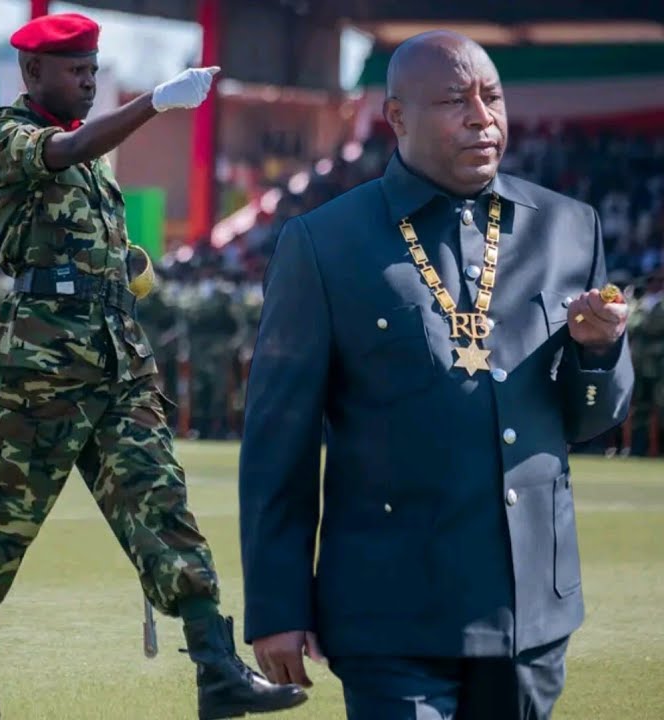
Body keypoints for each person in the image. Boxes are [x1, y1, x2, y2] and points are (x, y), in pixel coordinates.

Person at [0, 12, 306, 720]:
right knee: (8, 517)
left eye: (95, 71)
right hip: (43, 366)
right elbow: (60, 152)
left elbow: (84, 232)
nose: (89, 82)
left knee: (161, 502)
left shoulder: (93, 164)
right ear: (34, 73)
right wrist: (155, 101)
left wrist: (126, 267)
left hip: (115, 356)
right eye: (76, 71)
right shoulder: (12, 138)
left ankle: (215, 667)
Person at [239, 31, 634, 720]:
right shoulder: (325, 243)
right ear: (396, 118)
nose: (483, 117)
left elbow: (589, 419)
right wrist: (276, 604)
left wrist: (600, 353)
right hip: (390, 611)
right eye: (455, 100)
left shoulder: (571, 228)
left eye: (493, 97)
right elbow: (279, 443)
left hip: (527, 610)